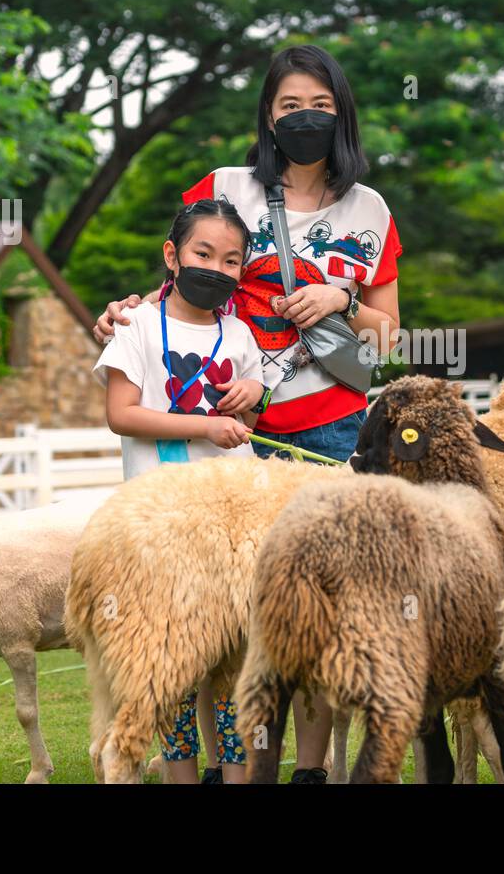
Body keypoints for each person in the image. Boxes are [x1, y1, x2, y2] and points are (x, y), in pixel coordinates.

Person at [92, 44, 403, 783]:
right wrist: (124, 312)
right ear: (267, 113)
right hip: (235, 431)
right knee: (236, 607)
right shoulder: (226, 185)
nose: (305, 119)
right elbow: (188, 268)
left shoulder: (370, 211)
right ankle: (238, 762)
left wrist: (343, 300)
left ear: (342, 114)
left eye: (320, 107)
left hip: (329, 423)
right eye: (290, 105)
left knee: (318, 599)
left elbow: (389, 330)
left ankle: (310, 765)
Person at [93, 197, 272, 783]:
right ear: (172, 255)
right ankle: (180, 775)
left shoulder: (242, 335)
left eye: (230, 261)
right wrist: (206, 426)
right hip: (161, 527)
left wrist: (252, 392)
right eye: (203, 254)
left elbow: (252, 409)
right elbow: (122, 414)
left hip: (230, 522)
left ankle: (235, 772)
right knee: (169, 661)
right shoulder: (136, 328)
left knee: (230, 656)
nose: (216, 269)